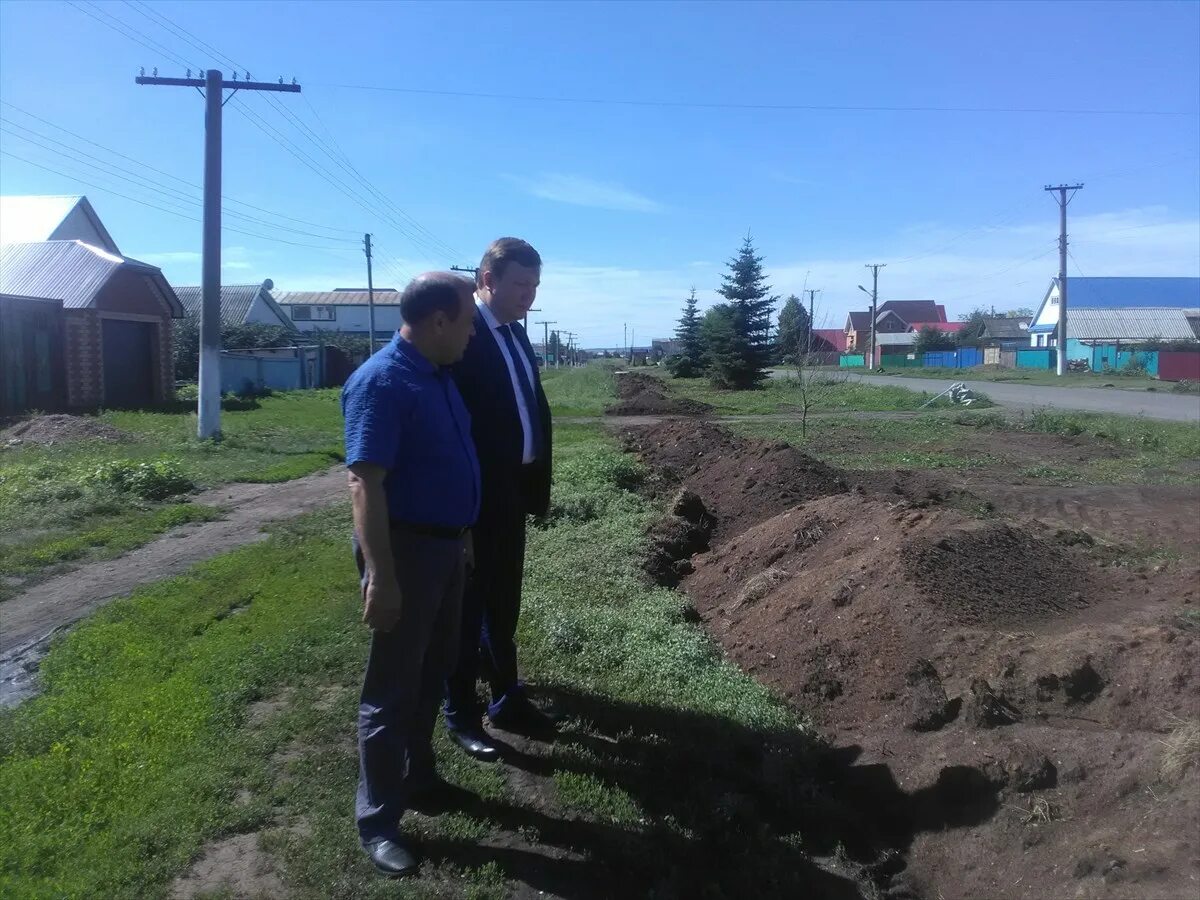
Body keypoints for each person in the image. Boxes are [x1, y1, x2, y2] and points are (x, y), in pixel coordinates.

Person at [341, 272, 480, 877]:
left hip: (446, 551)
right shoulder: (383, 382)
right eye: (469, 321)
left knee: (434, 672)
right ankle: (378, 821)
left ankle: (419, 779)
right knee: (391, 691)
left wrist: (464, 538)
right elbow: (363, 483)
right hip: (407, 554)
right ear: (439, 321)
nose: (474, 333)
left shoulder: (439, 376)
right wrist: (382, 575)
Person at [444, 237, 555, 760]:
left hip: (510, 492)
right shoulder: (465, 339)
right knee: (466, 611)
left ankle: (504, 695)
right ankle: (459, 713)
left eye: (534, 285)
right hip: (474, 497)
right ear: (487, 281)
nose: (529, 296)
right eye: (520, 285)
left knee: (503, 600)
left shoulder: (514, 333)